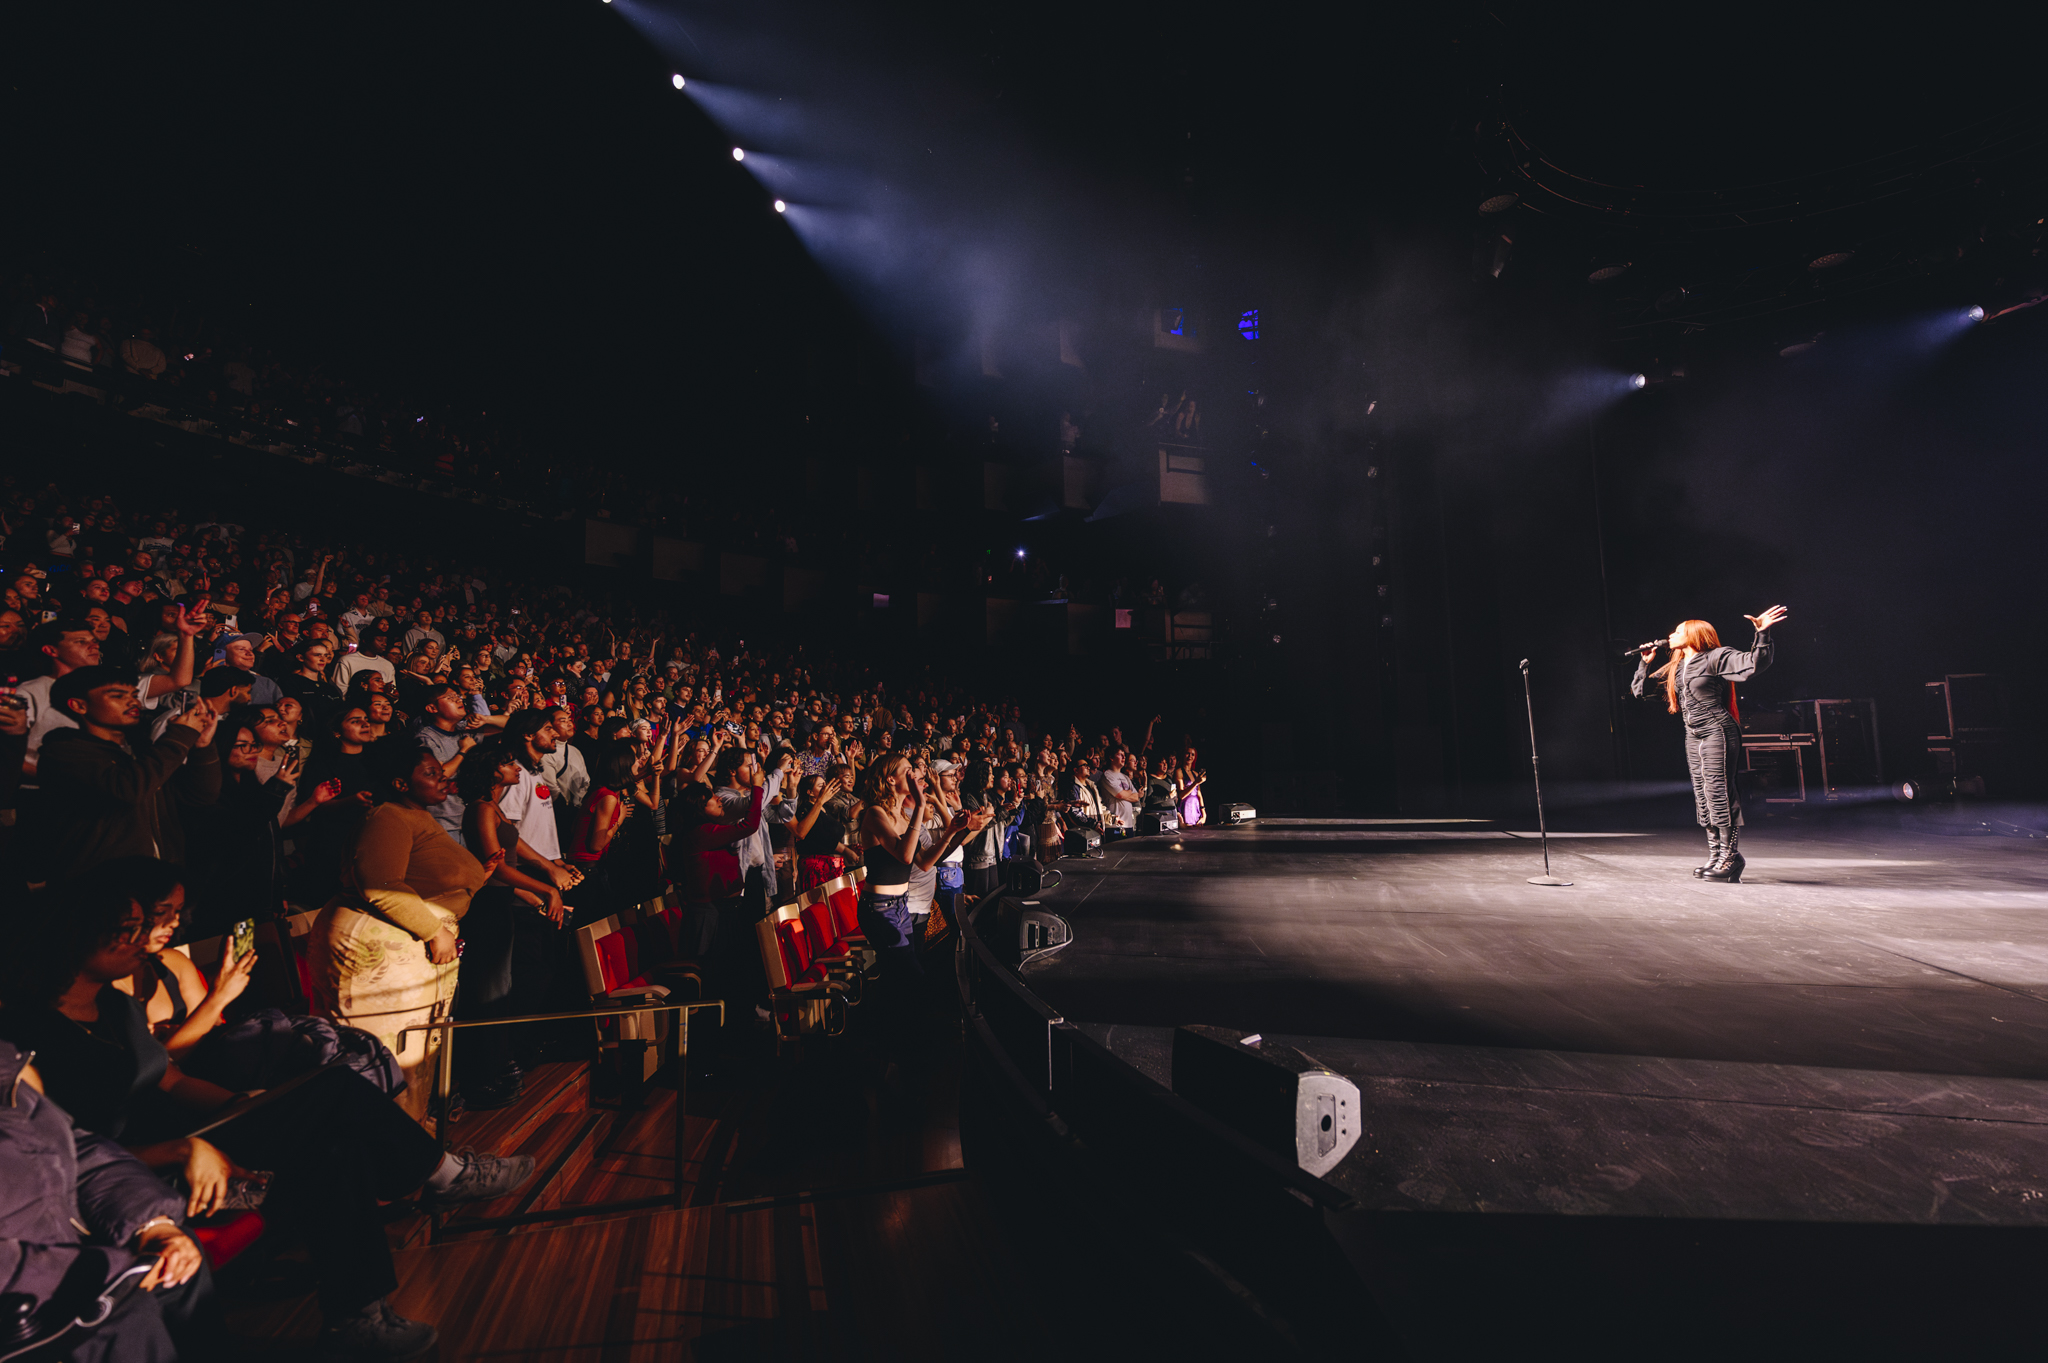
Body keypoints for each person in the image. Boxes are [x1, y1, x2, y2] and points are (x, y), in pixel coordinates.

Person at [1, 870, 532, 1360]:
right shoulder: (31, 1035)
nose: (145, 940)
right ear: (74, 935)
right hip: (137, 1167)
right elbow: (63, 1155)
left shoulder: (115, 1007)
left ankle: (359, 1314)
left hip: (186, 1136)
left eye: (144, 926)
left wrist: (249, 1108)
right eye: (127, 930)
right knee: (330, 1103)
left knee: (328, 1124)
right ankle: (437, 1178)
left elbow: (172, 1080)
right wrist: (183, 1147)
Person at [309, 735, 506, 1117]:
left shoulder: (415, 816)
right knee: (385, 1061)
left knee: (412, 1059)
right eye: (431, 773)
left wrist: (473, 879)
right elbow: (378, 883)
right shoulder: (388, 815)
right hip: (378, 951)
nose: (443, 778)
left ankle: (414, 1149)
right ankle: (390, 1155)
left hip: (409, 948)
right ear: (401, 784)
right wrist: (434, 931)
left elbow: (425, 877)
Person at [1632, 605, 1789, 883]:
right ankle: (1716, 855)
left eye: (1678, 631)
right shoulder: (1677, 667)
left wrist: (1761, 633)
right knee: (1704, 795)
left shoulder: (1716, 657)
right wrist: (1645, 663)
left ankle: (1730, 857)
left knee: (1719, 791)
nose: (1671, 634)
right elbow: (1641, 691)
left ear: (1694, 634)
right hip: (1693, 734)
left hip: (1717, 730)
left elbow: (1754, 663)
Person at [33, 665, 222, 882]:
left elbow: (200, 796)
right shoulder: (65, 752)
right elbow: (128, 790)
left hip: (159, 878)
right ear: (78, 705)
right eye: (118, 696)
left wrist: (202, 746)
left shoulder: (139, 751)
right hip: (103, 883)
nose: (133, 702)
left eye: (134, 694)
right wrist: (179, 735)